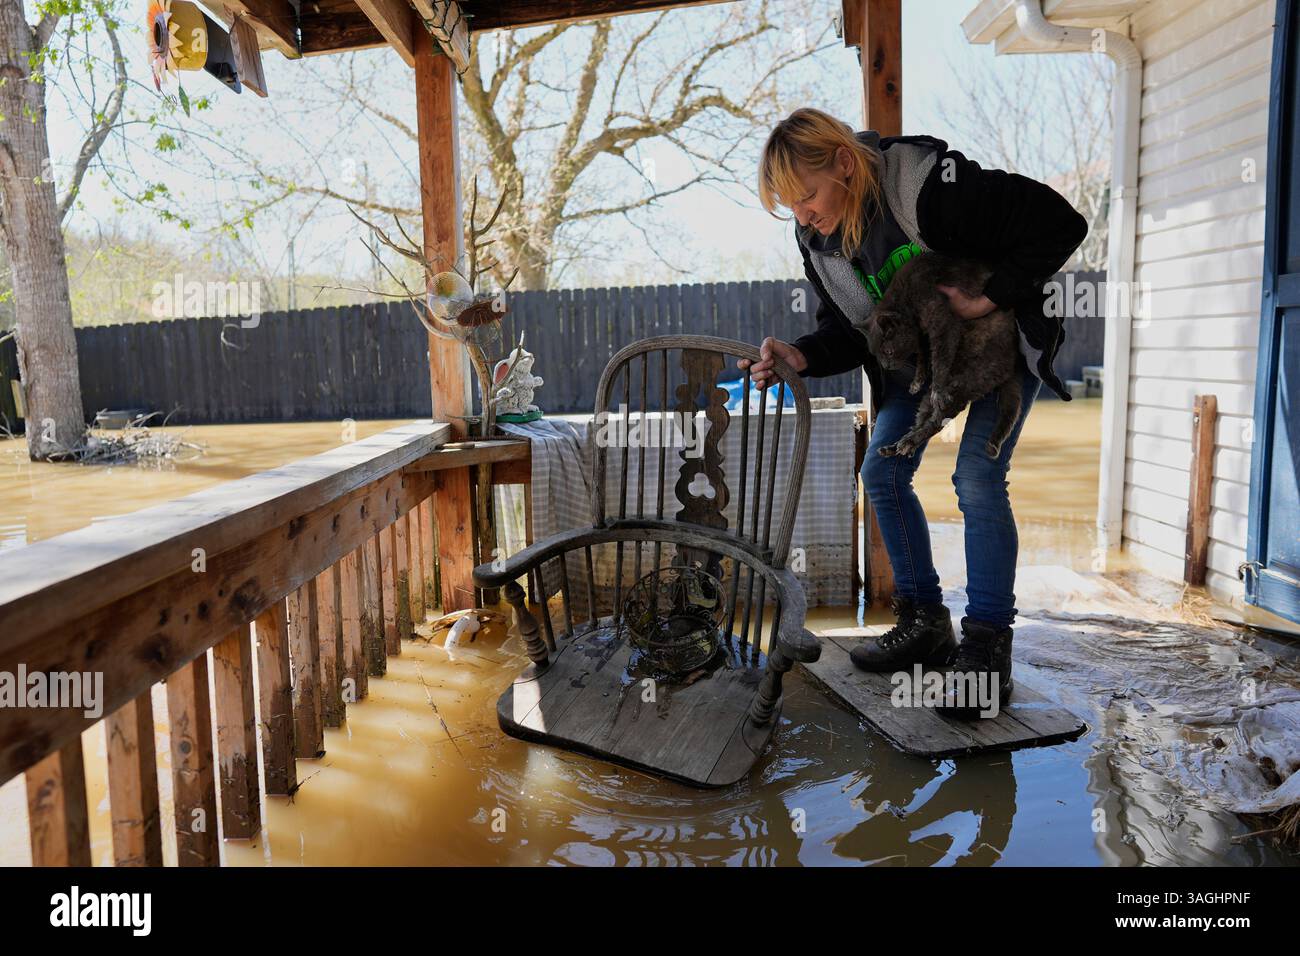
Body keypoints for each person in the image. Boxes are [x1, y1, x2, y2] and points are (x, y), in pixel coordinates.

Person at [739, 107, 1087, 718]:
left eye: (808, 197)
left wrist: (991, 295)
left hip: (996, 349)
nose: (803, 215)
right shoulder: (818, 243)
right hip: (919, 366)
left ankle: (986, 648)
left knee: (977, 479)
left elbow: (1061, 222)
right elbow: (850, 333)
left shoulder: (930, 188)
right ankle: (926, 621)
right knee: (882, 472)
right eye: (790, 207)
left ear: (845, 163)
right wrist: (802, 353)